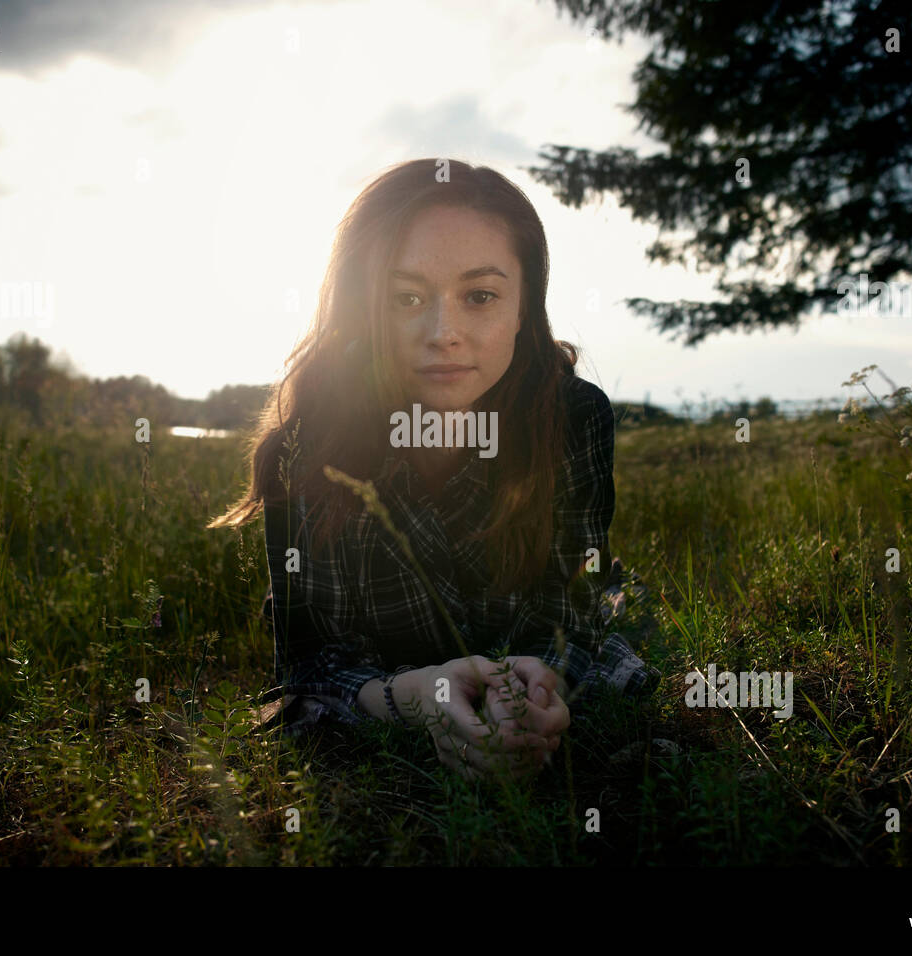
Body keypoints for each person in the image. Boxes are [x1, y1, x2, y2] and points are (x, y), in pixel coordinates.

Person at [208, 158, 659, 781]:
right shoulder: (312, 437)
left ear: (526, 305)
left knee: (620, 618)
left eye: (480, 296)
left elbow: (570, 613)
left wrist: (537, 690)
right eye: (407, 297)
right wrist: (410, 699)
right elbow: (308, 661)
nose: (444, 332)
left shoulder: (572, 417)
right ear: (365, 308)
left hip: (520, 672)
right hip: (396, 687)